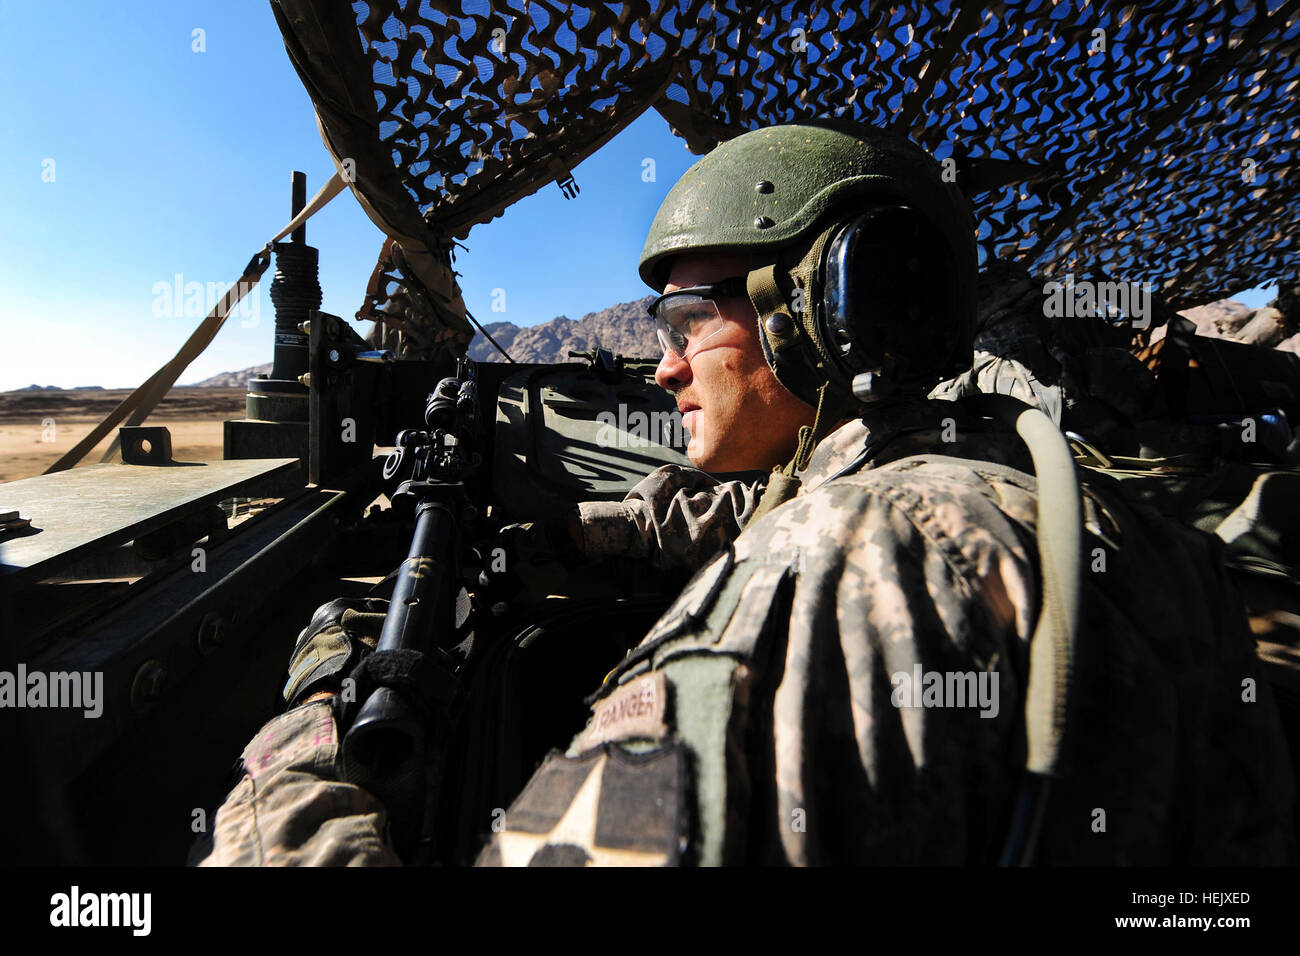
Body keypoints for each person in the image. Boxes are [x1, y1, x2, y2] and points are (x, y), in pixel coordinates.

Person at [198, 121, 1295, 866]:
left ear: (816, 306)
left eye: (686, 326)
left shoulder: (829, 560)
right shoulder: (1034, 485)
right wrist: (579, 531)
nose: (665, 366)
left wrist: (297, 749)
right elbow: (750, 506)